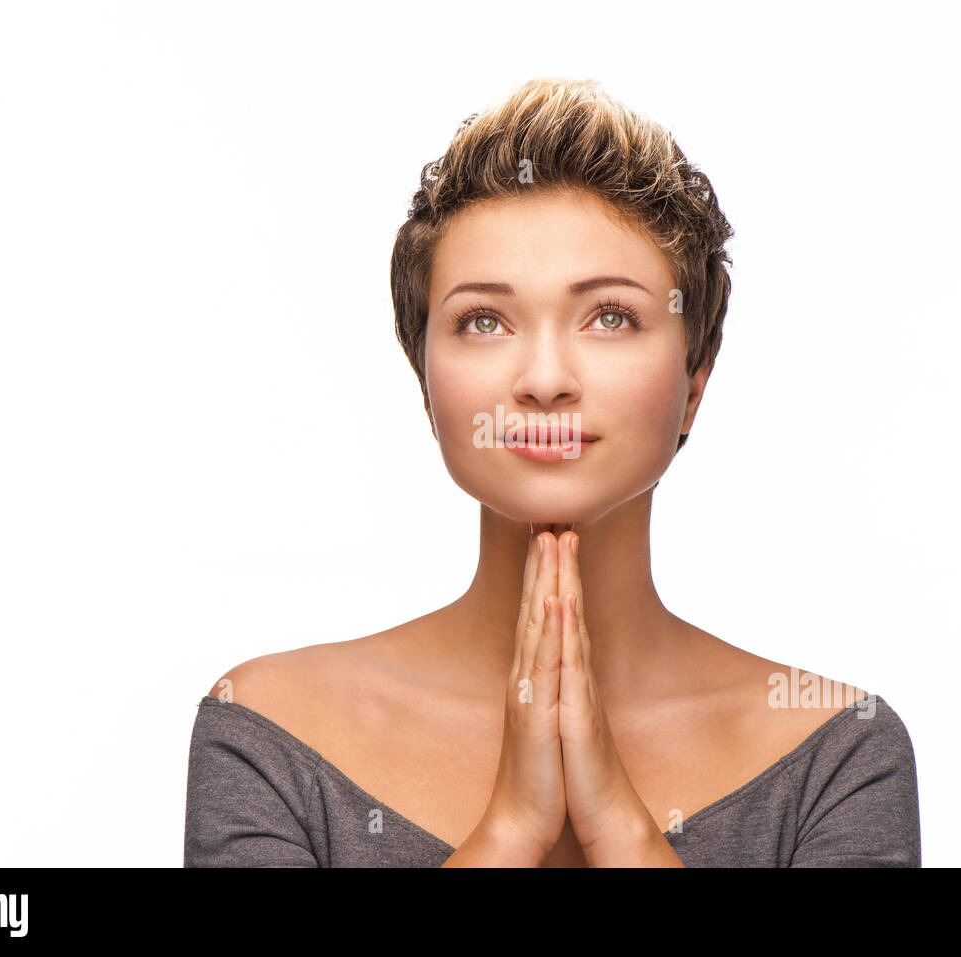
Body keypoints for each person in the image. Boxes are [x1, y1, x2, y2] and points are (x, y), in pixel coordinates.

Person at [184, 77, 922, 867]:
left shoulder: (837, 755)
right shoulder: (267, 728)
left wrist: (618, 825)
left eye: (611, 316)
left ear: (693, 384)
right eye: (484, 320)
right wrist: (511, 827)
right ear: (425, 381)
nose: (543, 377)